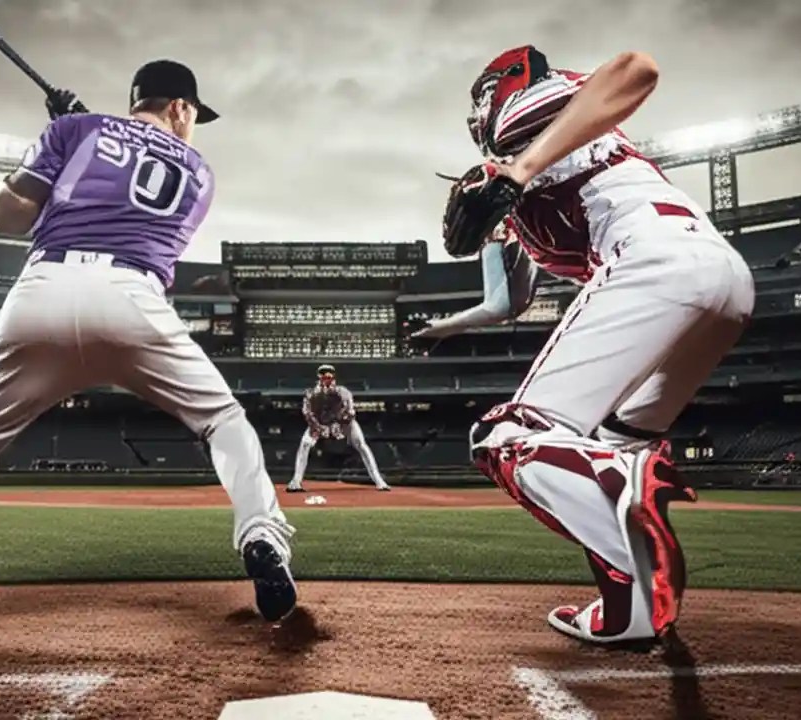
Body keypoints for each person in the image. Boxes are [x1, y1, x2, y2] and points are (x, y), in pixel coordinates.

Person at [0, 60, 297, 659]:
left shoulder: (75, 132)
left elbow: (9, 216)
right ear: (181, 107)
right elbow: (141, 210)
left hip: (43, 289)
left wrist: (61, 138)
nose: (193, 126)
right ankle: (263, 536)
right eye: (193, 115)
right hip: (134, 298)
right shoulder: (200, 172)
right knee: (224, 422)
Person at [417, 46, 754, 645]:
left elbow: (637, 69)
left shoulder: (524, 112)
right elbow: (507, 304)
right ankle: (633, 611)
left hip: (652, 259)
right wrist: (441, 328)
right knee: (614, 445)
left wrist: (514, 173)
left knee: (510, 438)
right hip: (722, 283)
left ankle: (625, 499)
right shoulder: (529, 186)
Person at [287, 364, 391, 492]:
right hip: (321, 422)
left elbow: (351, 412)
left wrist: (340, 424)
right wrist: (319, 428)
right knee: (305, 444)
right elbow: (308, 414)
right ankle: (296, 481)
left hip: (344, 423)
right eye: (323, 375)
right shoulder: (311, 394)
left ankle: (379, 480)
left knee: (361, 444)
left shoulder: (343, 392)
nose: (326, 379)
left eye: (329, 375)